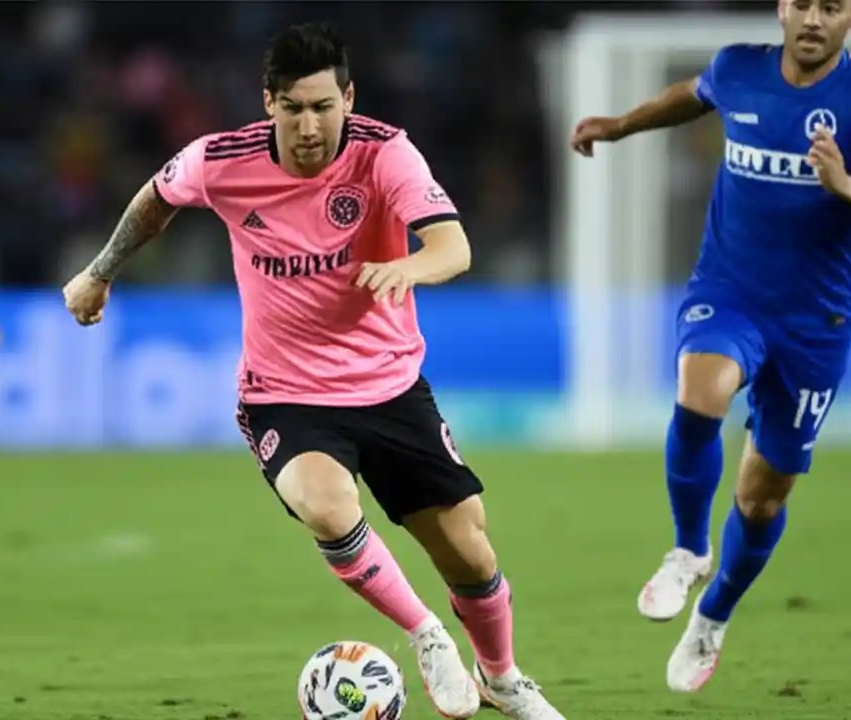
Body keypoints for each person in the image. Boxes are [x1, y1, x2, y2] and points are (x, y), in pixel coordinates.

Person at [64, 22, 565, 720]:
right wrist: (98, 273)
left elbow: (453, 247)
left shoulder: (385, 153)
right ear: (267, 102)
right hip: (285, 396)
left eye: (324, 107)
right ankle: (424, 635)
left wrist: (406, 268)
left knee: (471, 554)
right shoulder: (221, 161)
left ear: (348, 99)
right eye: (294, 107)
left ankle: (505, 679)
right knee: (326, 507)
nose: (309, 125)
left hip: (389, 386)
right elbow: (155, 200)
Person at [570, 0, 851, 692]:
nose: (813, 19)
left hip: (814, 321)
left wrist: (848, 185)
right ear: (782, 9)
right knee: (699, 389)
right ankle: (687, 548)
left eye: (831, 6)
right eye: (802, 4)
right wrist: (620, 126)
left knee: (762, 497)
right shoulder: (739, 67)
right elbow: (693, 95)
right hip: (729, 289)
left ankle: (712, 617)